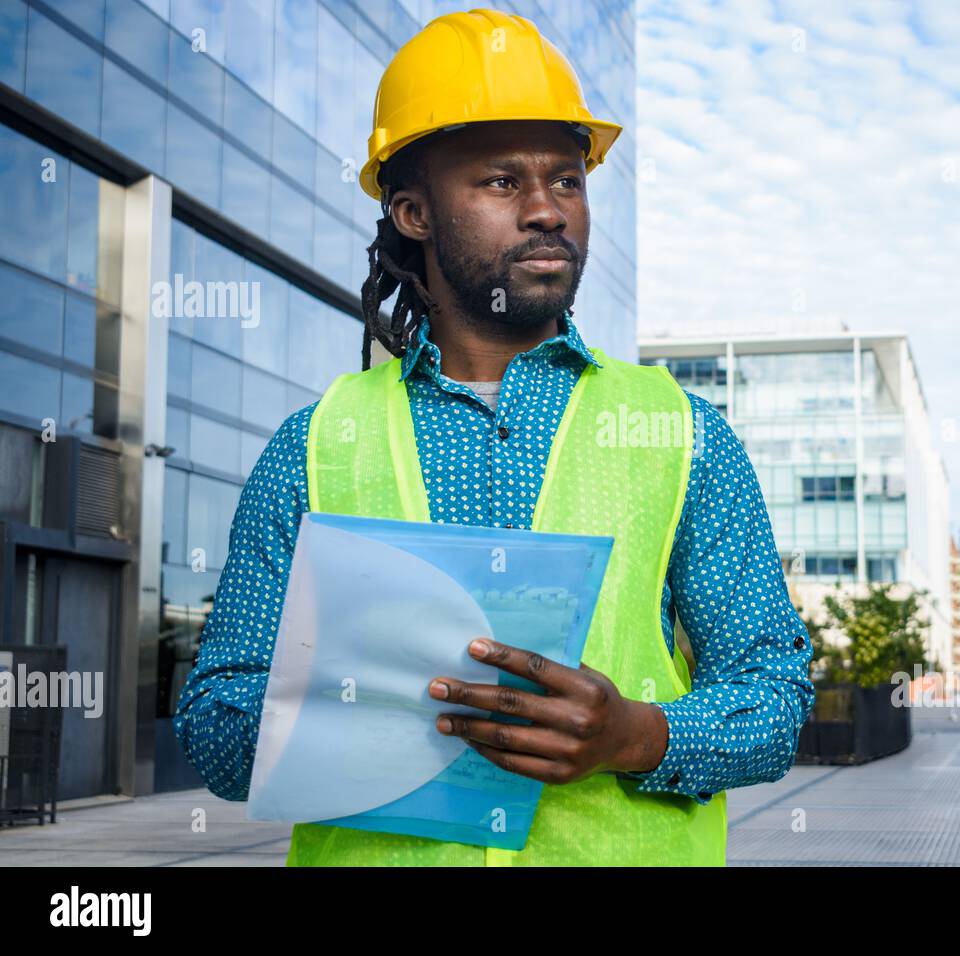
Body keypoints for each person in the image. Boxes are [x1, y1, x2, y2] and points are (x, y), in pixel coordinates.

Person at [173, 8, 814, 867]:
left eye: (568, 179)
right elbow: (216, 723)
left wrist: (634, 734)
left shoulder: (682, 434)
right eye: (504, 182)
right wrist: (372, 712)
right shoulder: (315, 445)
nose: (549, 211)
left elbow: (773, 694)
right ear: (413, 212)